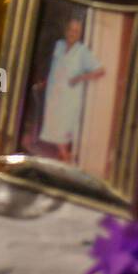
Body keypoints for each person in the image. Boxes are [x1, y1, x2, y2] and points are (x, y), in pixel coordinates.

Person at [37, 14, 104, 163]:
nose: (72, 33)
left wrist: (80, 77)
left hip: (69, 96)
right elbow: (54, 66)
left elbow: (100, 71)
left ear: (80, 34)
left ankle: (65, 157)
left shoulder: (82, 51)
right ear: (66, 30)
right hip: (54, 93)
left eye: (76, 31)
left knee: (64, 128)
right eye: (70, 30)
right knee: (53, 125)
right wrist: (46, 81)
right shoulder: (59, 45)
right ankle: (62, 156)